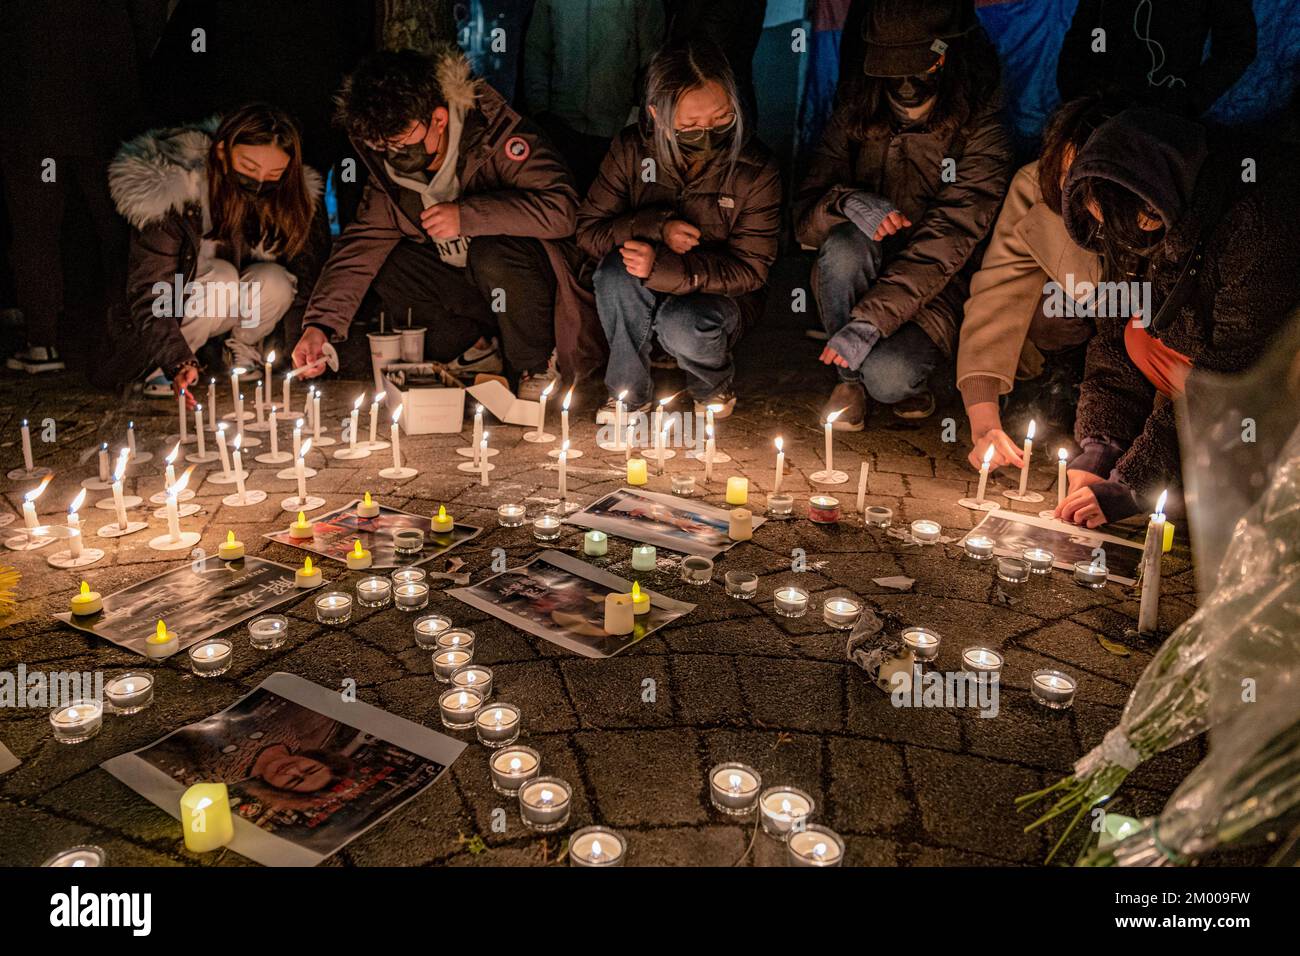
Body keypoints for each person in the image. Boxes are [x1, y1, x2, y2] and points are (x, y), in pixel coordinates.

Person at [291, 47, 603, 400]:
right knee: (390, 262)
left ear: (438, 119)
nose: (392, 155)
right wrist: (320, 325)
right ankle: (477, 352)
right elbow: (361, 245)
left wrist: (467, 216)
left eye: (400, 143)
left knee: (492, 251)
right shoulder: (390, 172)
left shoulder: (498, 137)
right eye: (381, 147)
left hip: (527, 285)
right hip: (469, 287)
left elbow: (563, 212)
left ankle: (535, 365)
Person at [1054, 108, 1300, 527]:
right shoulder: (1137, 215)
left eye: (1116, 225)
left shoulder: (1257, 226)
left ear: (1150, 211)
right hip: (1215, 368)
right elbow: (1113, 337)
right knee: (1137, 334)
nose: (1112, 239)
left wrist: (1133, 484)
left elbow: (1229, 373)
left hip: (1275, 380)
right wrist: (1101, 446)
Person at [795, 0, 1012, 428]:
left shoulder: (981, 128)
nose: (908, 85)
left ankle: (905, 376)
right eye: (894, 70)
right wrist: (845, 201)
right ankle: (847, 381)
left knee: (890, 378)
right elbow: (803, 220)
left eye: (922, 69)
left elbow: (949, 238)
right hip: (858, 274)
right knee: (844, 243)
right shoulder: (854, 112)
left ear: (950, 58)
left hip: (935, 287)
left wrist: (868, 324)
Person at [576, 39, 781, 422]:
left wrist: (666, 270)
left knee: (682, 323)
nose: (706, 133)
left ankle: (712, 386)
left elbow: (752, 271)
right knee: (615, 273)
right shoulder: (631, 151)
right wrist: (655, 226)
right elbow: (589, 231)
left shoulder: (755, 169)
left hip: (718, 296)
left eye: (721, 119)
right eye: (689, 125)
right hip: (643, 281)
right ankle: (628, 394)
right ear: (656, 114)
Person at [103, 104, 330, 399]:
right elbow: (152, 287)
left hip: (226, 306)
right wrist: (175, 358)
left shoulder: (284, 199)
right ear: (222, 151)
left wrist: (302, 346)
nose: (260, 181)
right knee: (222, 276)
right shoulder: (176, 193)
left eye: (275, 173)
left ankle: (243, 348)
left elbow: (306, 275)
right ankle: (170, 364)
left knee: (275, 280)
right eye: (249, 168)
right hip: (176, 311)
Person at [0, 0, 162, 374]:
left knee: (36, 227)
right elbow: (148, 15)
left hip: (32, 100)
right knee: (118, 224)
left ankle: (41, 341)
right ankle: (129, 335)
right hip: (104, 95)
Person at [958, 96, 1115, 471]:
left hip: (1135, 327)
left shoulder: (1166, 203)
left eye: (1088, 181)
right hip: (1085, 312)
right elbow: (999, 291)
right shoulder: (1036, 187)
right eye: (1066, 177)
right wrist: (984, 426)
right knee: (1049, 309)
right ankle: (1059, 389)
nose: (1075, 195)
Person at [523, 0, 665, 193]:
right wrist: (540, 111)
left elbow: (652, 60)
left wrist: (638, 120)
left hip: (616, 126)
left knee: (608, 201)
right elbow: (537, 50)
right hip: (561, 124)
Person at [1057, 0, 1257, 117]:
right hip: (1093, 110)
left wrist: (1183, 104)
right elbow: (1084, 26)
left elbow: (1237, 45)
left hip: (1158, 122)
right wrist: (1074, 90)